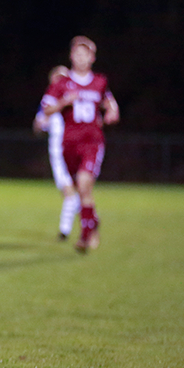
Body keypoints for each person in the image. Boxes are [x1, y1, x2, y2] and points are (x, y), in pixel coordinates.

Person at [41, 36, 119, 253]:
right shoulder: (62, 84)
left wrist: (112, 112)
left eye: (85, 53)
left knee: (84, 186)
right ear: (71, 56)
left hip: (92, 143)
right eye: (77, 53)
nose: (81, 57)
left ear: (92, 58)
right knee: (79, 189)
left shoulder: (99, 81)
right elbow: (46, 109)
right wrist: (64, 102)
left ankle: (85, 236)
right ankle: (92, 220)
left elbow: (110, 104)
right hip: (68, 145)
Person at [32, 65, 80, 240]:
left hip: (76, 151)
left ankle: (65, 231)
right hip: (58, 153)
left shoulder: (76, 101)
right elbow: (38, 125)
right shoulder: (48, 103)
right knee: (71, 191)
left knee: (72, 191)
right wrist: (42, 120)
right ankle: (87, 220)